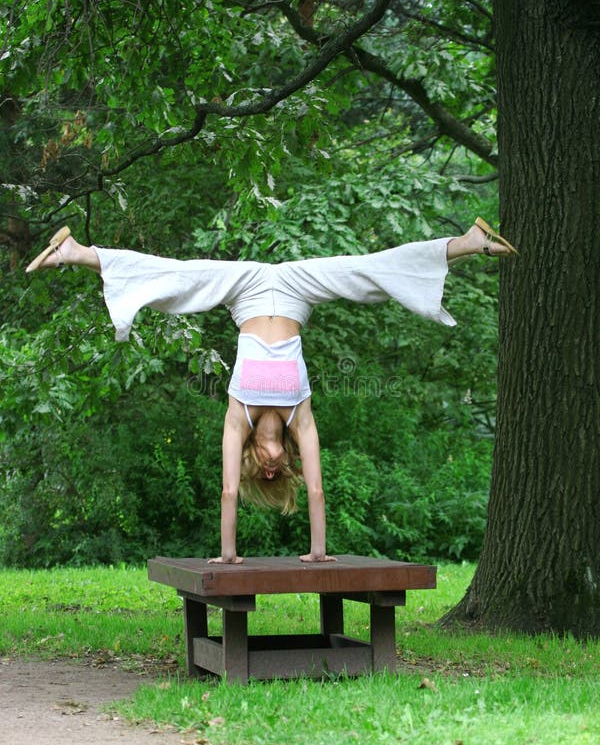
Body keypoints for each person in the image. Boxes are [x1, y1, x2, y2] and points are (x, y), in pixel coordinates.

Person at [25, 217, 517, 564]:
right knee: (370, 270)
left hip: (244, 288)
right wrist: (319, 551)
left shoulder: (237, 416)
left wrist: (228, 554)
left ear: (255, 460)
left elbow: (227, 490)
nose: (271, 466)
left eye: (264, 471)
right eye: (276, 472)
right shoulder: (300, 417)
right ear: (284, 462)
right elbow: (319, 488)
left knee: (177, 276)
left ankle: (74, 254)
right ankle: (469, 242)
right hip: (298, 287)